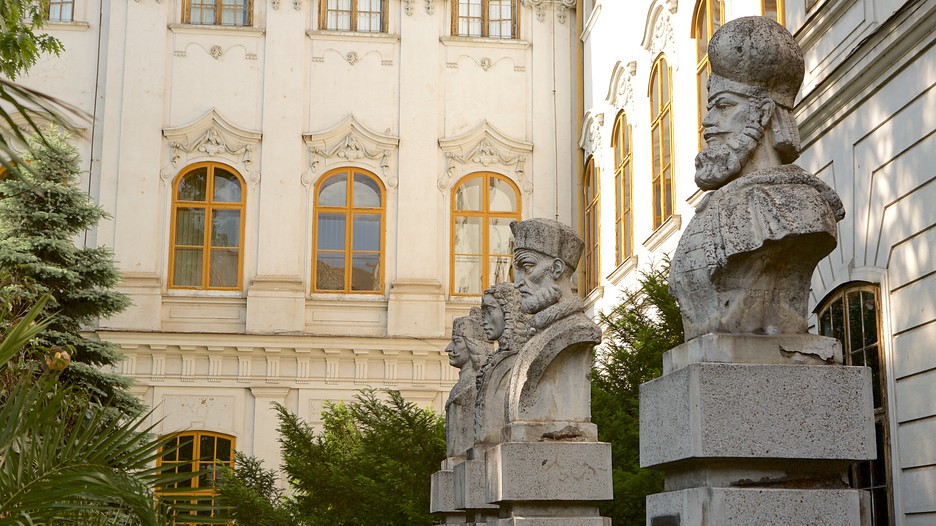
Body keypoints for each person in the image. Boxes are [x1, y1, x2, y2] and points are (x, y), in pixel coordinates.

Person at [670, 16, 845, 340]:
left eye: (723, 106)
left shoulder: (795, 208)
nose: (707, 122)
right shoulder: (716, 206)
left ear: (763, 113)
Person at [503, 218, 601, 441]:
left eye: (527, 267)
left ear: (557, 268)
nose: (517, 282)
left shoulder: (578, 330)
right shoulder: (538, 332)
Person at [474, 282, 529, 446]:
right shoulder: (497, 360)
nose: (483, 321)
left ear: (508, 312)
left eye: (489, 311)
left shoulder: (517, 359)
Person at [444, 307, 490, 460]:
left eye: (457, 341)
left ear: (473, 345)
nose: (448, 349)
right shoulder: (462, 385)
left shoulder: (476, 385)